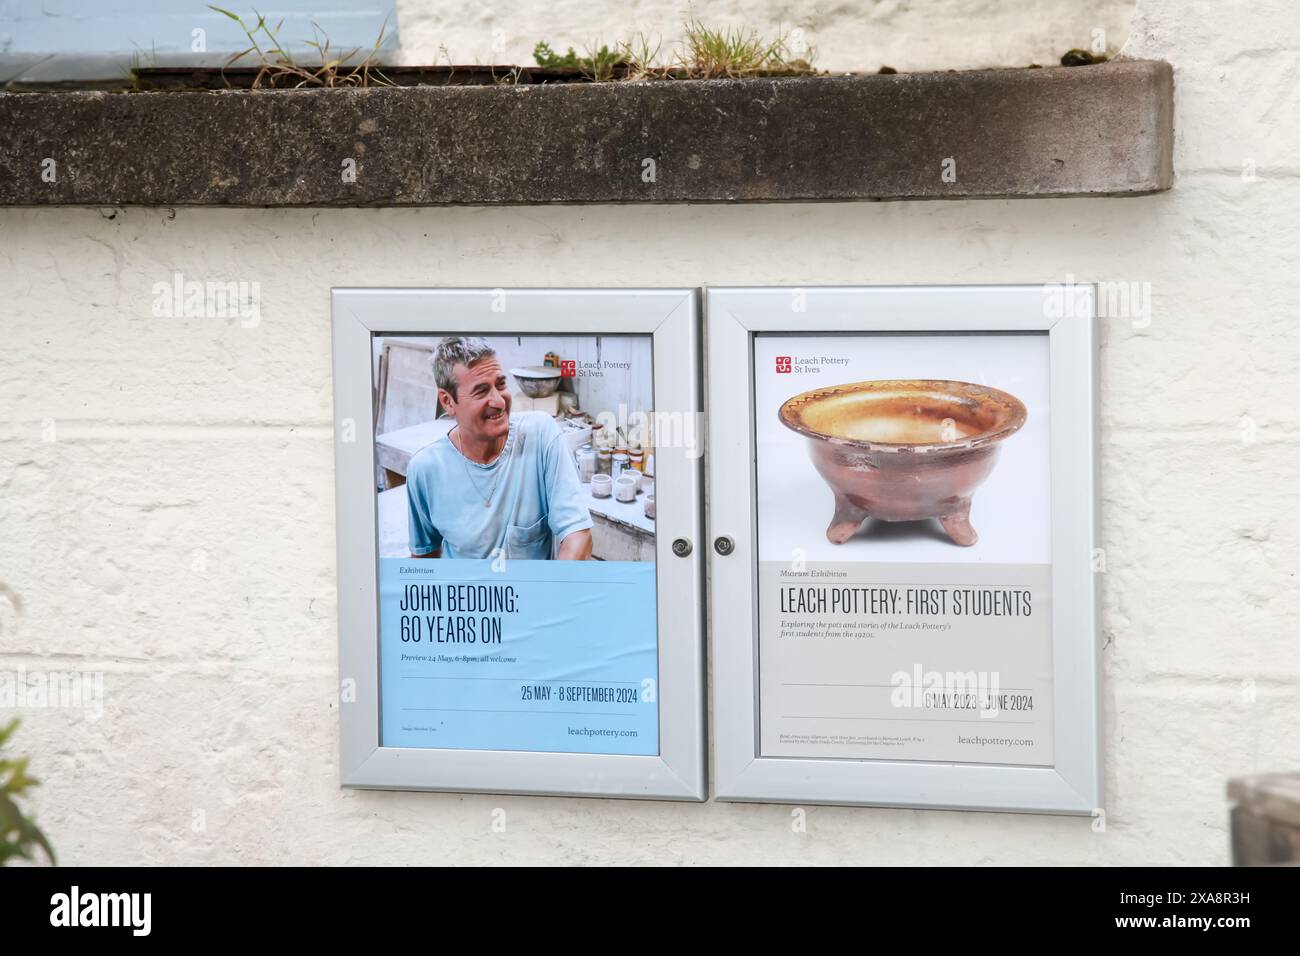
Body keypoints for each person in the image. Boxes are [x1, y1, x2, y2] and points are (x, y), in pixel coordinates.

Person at [406, 336, 593, 560]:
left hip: (533, 595)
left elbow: (578, 533)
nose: (499, 401)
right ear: (447, 401)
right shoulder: (426, 469)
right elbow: (425, 559)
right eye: (481, 391)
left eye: (501, 385)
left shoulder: (541, 435)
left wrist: (552, 592)